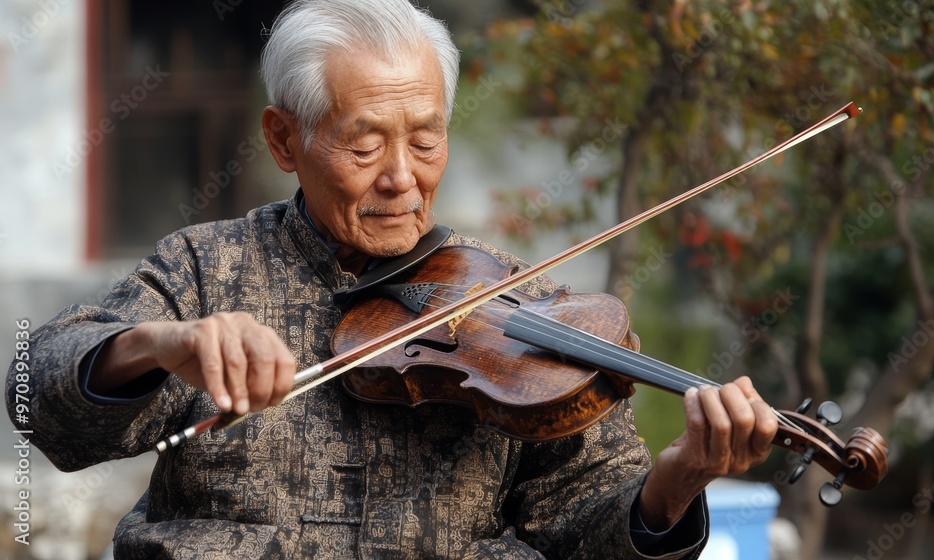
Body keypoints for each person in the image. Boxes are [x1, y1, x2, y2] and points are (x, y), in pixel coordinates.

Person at [7, 1, 777, 558]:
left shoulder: (514, 302)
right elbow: (38, 406)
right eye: (365, 144)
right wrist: (154, 344)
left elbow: (585, 530)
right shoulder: (204, 268)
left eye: (426, 140)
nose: (402, 180)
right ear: (284, 138)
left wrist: (679, 480)